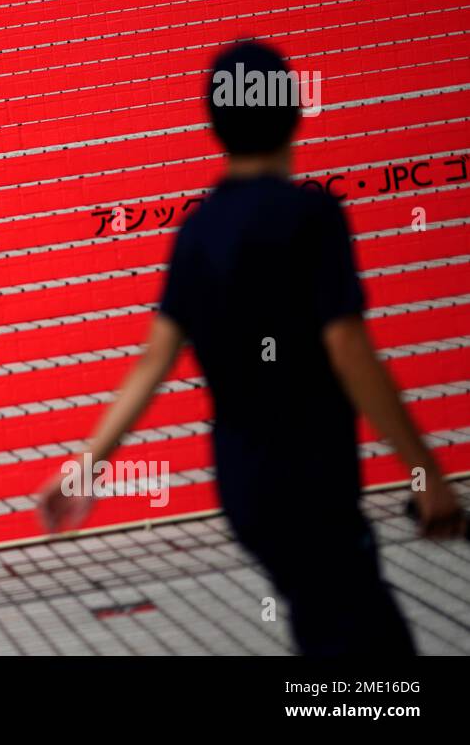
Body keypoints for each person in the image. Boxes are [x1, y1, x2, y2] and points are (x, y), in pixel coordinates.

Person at [36, 40, 466, 655]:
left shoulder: (198, 232)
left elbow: (153, 362)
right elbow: (349, 351)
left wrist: (86, 463)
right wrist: (425, 472)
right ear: (294, 112)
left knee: (331, 638)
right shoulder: (311, 217)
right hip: (312, 480)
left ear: (215, 126)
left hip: (245, 489)